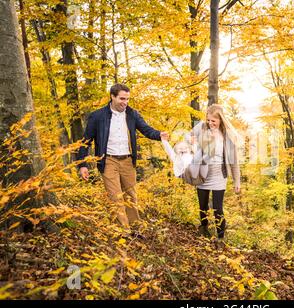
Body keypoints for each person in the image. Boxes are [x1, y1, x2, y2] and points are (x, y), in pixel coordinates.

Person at [77, 83, 169, 229]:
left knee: (131, 196)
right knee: (115, 197)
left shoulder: (132, 114)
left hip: (127, 160)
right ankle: (123, 232)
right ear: (112, 96)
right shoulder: (97, 116)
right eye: (121, 99)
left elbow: (146, 129)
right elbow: (86, 141)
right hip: (108, 161)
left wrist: (159, 135)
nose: (125, 102)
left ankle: (136, 228)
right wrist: (82, 165)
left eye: (127, 99)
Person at [190, 104, 241, 246]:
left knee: (218, 208)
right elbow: (189, 137)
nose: (210, 123)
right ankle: (204, 230)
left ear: (221, 120)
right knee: (203, 205)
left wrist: (237, 181)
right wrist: (192, 141)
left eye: (214, 121)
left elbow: (234, 161)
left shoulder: (227, 136)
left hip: (219, 175)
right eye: (208, 120)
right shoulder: (201, 127)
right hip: (203, 174)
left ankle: (220, 238)